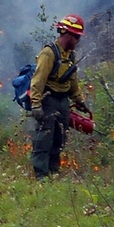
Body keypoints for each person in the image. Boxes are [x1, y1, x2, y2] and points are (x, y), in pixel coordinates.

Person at [29, 14, 91, 179]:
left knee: (60, 137)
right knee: (44, 137)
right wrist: (36, 105)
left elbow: (73, 81)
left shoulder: (70, 55)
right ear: (68, 35)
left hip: (63, 101)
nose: (78, 40)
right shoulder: (49, 53)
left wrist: (79, 100)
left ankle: (53, 170)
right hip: (48, 99)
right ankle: (41, 174)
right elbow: (38, 80)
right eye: (77, 36)